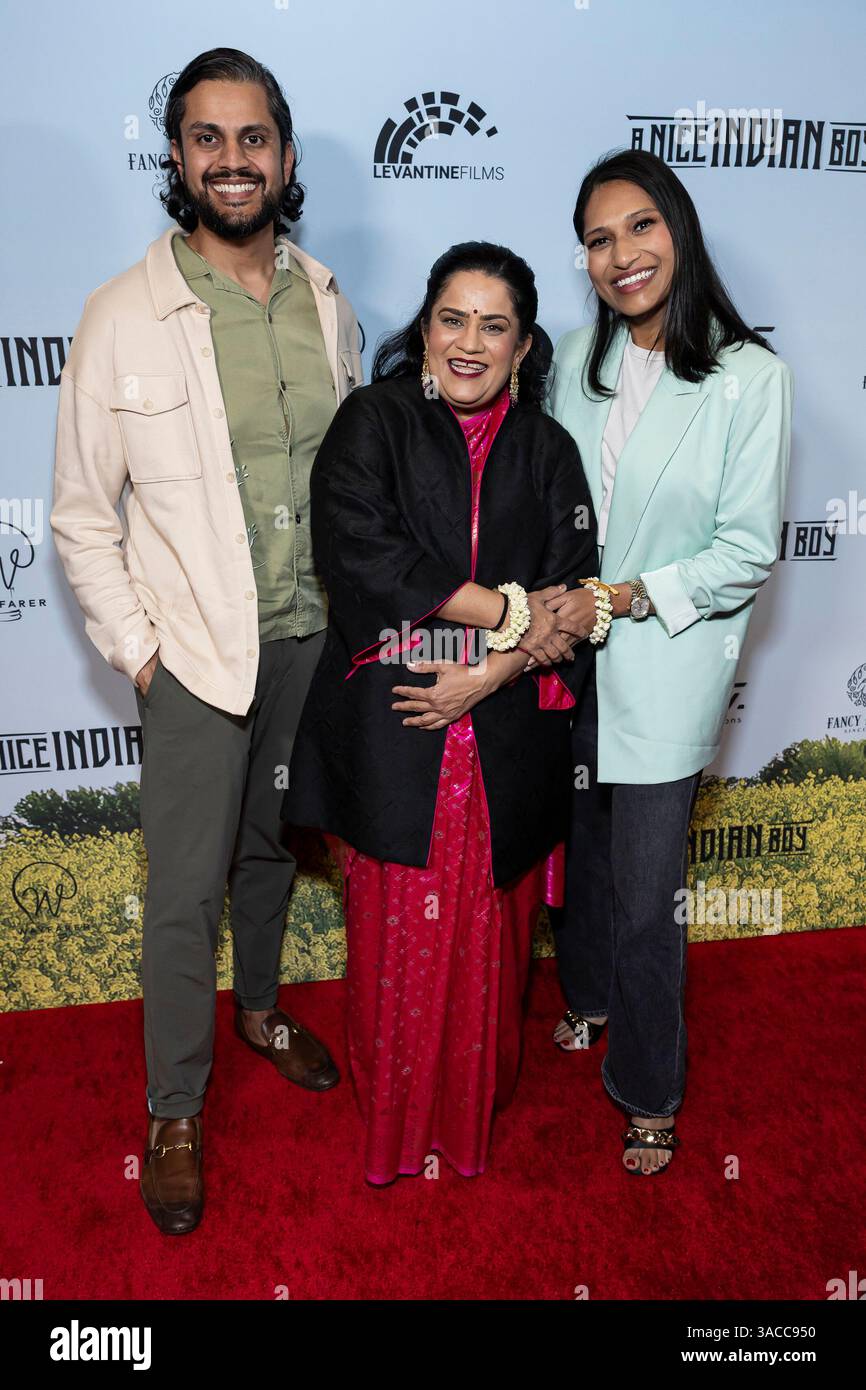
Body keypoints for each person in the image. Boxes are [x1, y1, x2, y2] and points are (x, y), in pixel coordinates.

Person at [50, 47, 362, 1234]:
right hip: (191, 651)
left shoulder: (328, 298)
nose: (232, 160)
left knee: (272, 849)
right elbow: (82, 512)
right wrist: (140, 650)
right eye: (207, 138)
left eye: (253, 138)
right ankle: (174, 1107)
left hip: (308, 635)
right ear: (177, 157)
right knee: (182, 890)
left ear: (283, 154)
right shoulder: (122, 313)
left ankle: (263, 1009)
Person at [281, 242, 597, 1184]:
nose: (470, 343)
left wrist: (489, 672)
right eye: (453, 320)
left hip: (501, 733)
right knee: (394, 940)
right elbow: (361, 558)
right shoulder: (372, 422)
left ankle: (467, 1116)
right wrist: (498, 614)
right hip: (398, 725)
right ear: (424, 329)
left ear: (524, 344)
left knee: (491, 945)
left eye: (494, 327)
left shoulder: (547, 450)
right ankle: (396, 1111)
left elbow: (569, 596)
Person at [545, 148, 793, 1174]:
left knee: (647, 891)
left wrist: (624, 594)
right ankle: (585, 997)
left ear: (677, 231)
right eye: (598, 239)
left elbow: (744, 549)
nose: (620, 254)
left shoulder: (748, 378)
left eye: (638, 227)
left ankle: (647, 1087)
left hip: (663, 655)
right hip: (562, 656)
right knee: (580, 850)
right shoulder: (569, 358)